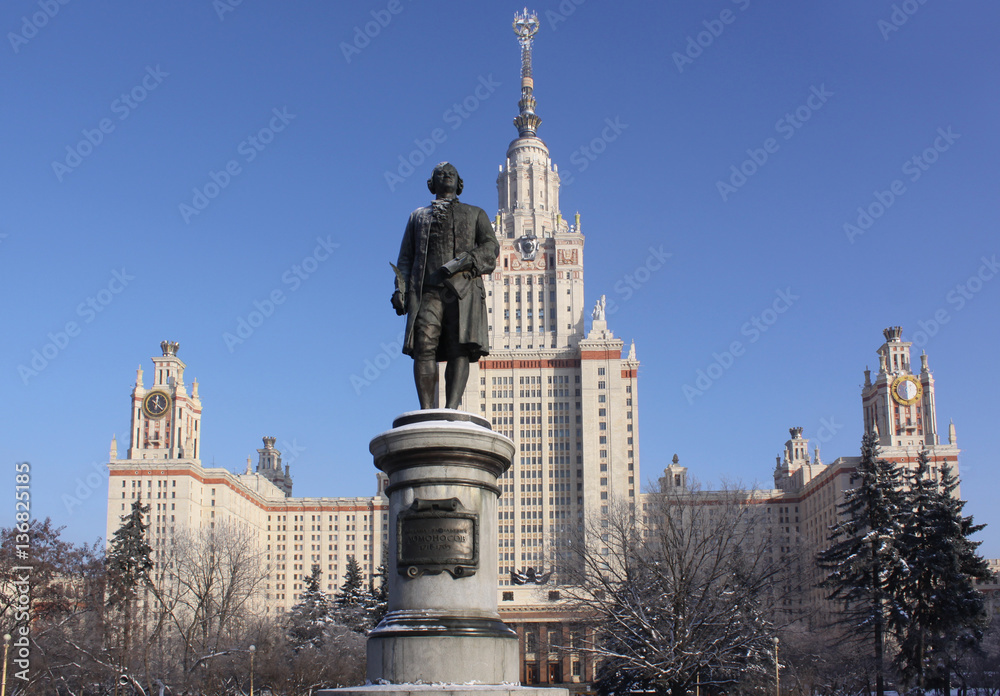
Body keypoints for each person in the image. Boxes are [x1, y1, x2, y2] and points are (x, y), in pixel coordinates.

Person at [391, 162, 499, 409]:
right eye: (440, 173)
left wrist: (467, 261)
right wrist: (401, 289)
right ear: (432, 183)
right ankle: (427, 411)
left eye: (451, 173)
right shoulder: (418, 217)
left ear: (459, 182)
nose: (446, 175)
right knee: (423, 346)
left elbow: (491, 247)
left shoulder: (476, 214)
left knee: (458, 348)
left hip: (463, 291)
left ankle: (451, 409)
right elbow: (405, 258)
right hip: (427, 291)